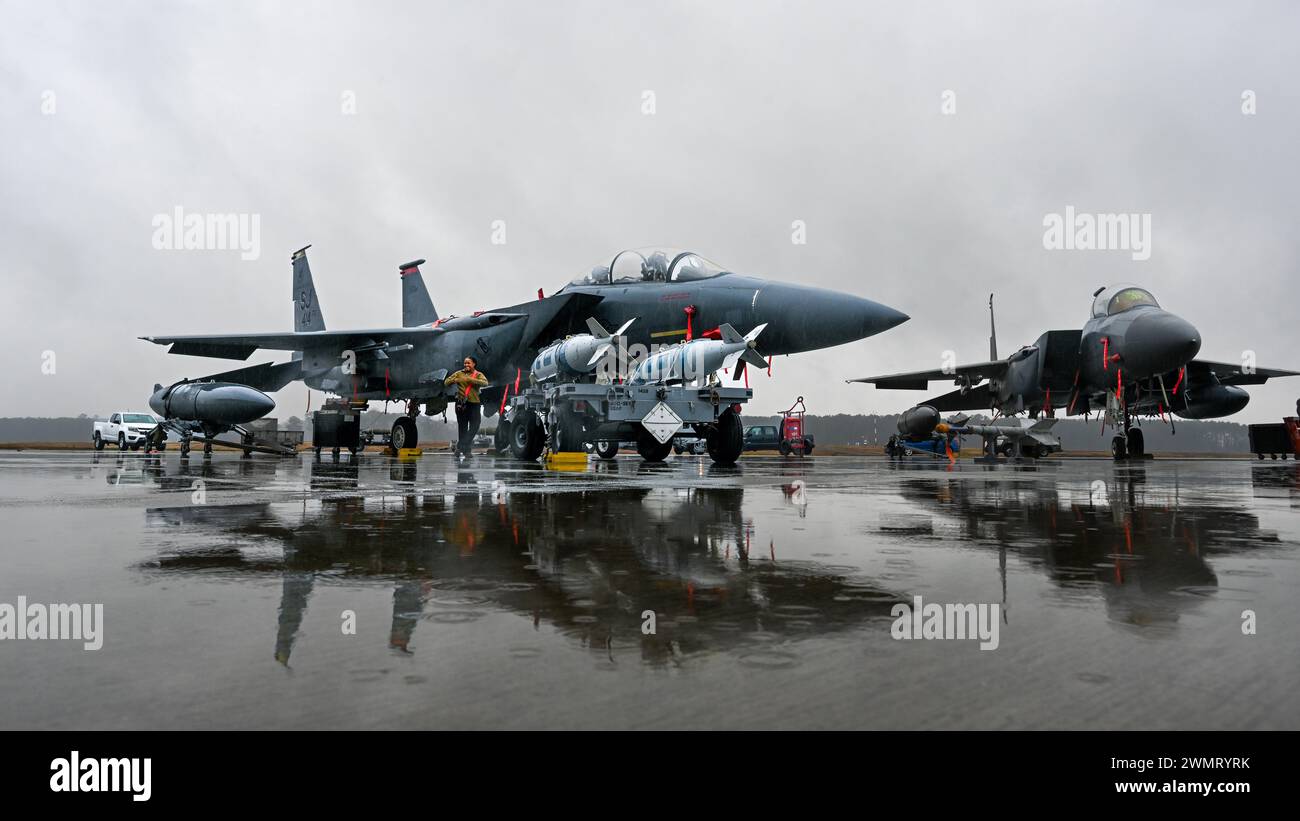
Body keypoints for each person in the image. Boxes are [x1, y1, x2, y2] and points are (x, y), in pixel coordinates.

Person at [444, 356, 489, 458]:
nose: (466, 365)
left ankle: (460, 446)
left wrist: (471, 380)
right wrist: (454, 380)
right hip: (461, 404)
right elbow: (446, 382)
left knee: (475, 426)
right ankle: (466, 451)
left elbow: (485, 383)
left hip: (474, 404)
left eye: (468, 363)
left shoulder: (478, 374)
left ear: (474, 364)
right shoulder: (459, 373)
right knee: (462, 428)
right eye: (465, 363)